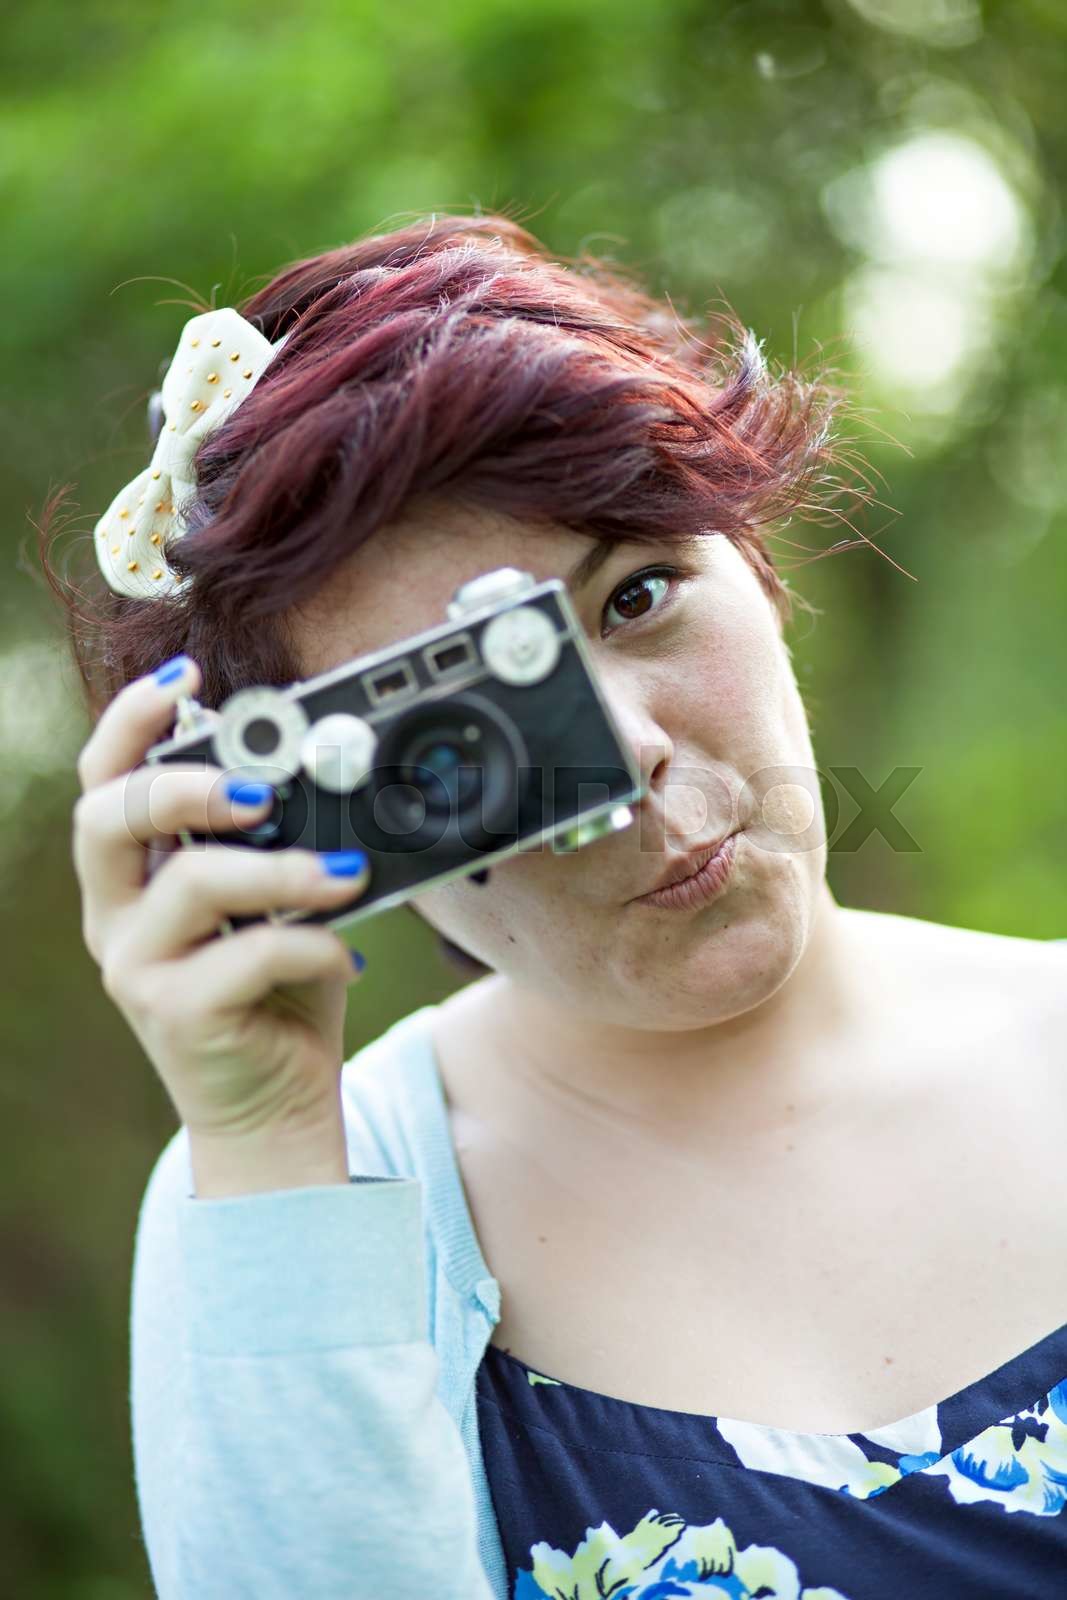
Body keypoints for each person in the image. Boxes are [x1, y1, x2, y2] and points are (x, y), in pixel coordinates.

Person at [53, 214, 1066, 1599]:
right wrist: (268, 1151)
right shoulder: (302, 1192)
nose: (626, 750)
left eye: (641, 594)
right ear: (319, 805)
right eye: (471, 720)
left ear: (761, 574)